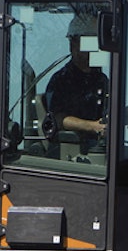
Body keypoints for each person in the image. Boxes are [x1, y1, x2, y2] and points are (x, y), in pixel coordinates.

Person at [45, 13, 109, 151]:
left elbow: (107, 110)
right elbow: (57, 118)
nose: (93, 48)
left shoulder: (101, 79)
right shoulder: (61, 80)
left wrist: (125, 114)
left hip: (100, 146)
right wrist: (93, 126)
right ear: (73, 44)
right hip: (72, 149)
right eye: (89, 42)